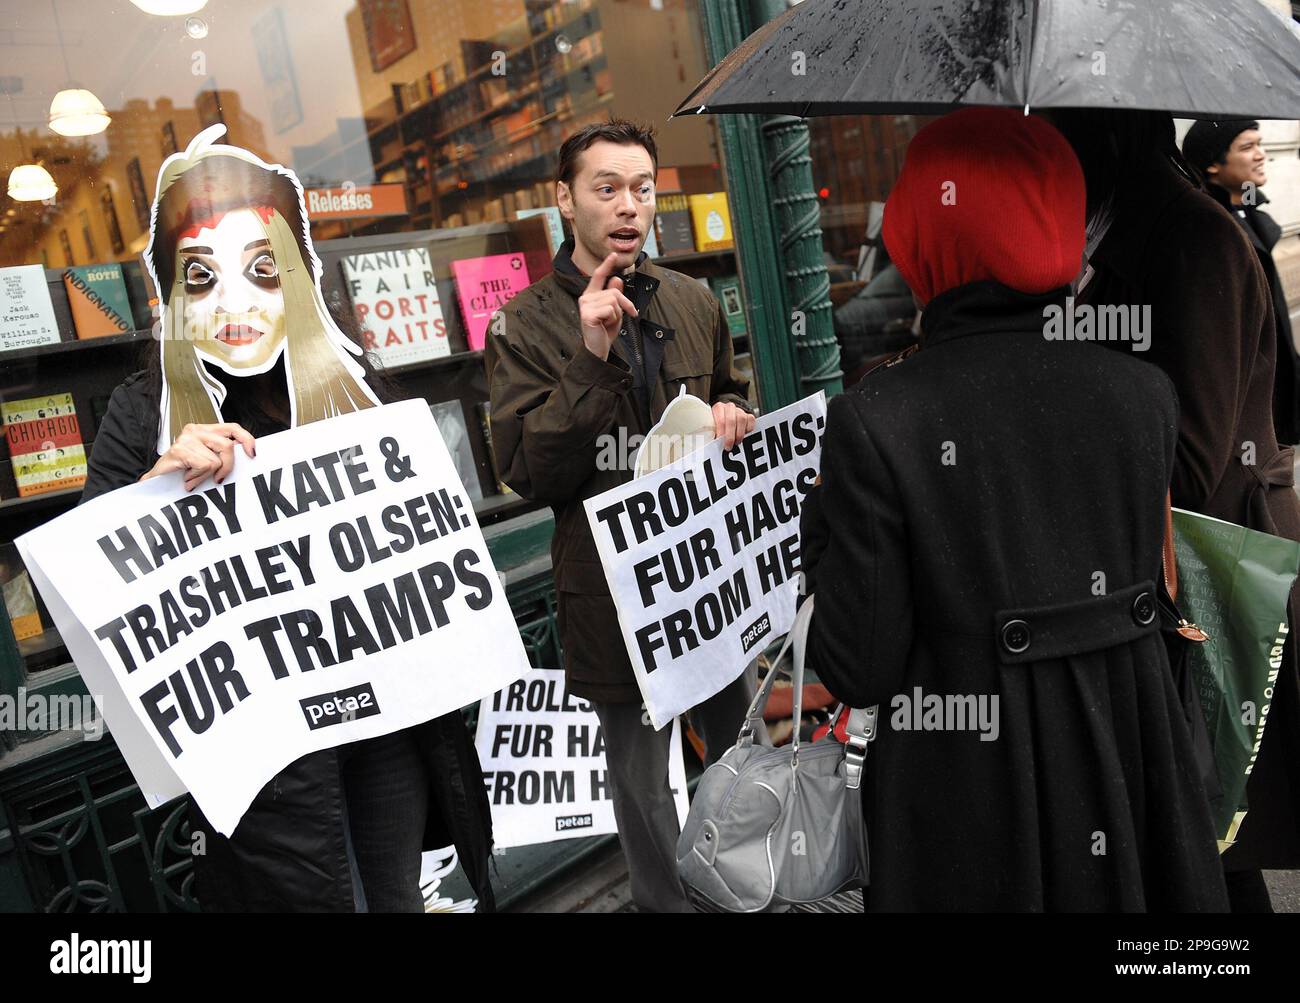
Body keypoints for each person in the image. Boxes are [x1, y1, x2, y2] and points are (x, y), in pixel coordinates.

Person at [799, 108, 1228, 912]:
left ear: (921, 235)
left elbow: (858, 666)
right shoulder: (1142, 394)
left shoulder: (879, 417)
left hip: (968, 802)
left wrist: (822, 527)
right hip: (1132, 782)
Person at [81, 127, 494, 912]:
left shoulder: (355, 384)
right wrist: (157, 485)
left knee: (397, 898)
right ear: (169, 294)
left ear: (299, 279)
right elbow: (98, 588)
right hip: (261, 753)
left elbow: (431, 524)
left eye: (263, 270)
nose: (235, 303)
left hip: (384, 720)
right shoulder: (144, 412)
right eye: (200, 278)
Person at [484, 119, 757, 912]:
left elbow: (731, 386)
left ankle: (757, 888)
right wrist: (591, 356)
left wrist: (734, 409)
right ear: (564, 200)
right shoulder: (523, 324)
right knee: (645, 790)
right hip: (608, 594)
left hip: (703, 574)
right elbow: (529, 472)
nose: (629, 206)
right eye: (606, 188)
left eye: (642, 188)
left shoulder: (693, 299)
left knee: (742, 751)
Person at [1058, 109, 1300, 913]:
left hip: (1213, 571)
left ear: (1106, 139)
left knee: (1219, 826)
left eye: (1059, 135)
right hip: (1178, 571)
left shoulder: (1187, 241)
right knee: (1210, 831)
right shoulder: (1136, 230)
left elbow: (1192, 460)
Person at [1182, 118, 1299, 445]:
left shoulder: (1249, 214)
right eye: (1247, 147)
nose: (1261, 155)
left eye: (1261, 144)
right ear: (1213, 165)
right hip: (1244, 411)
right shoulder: (1213, 230)